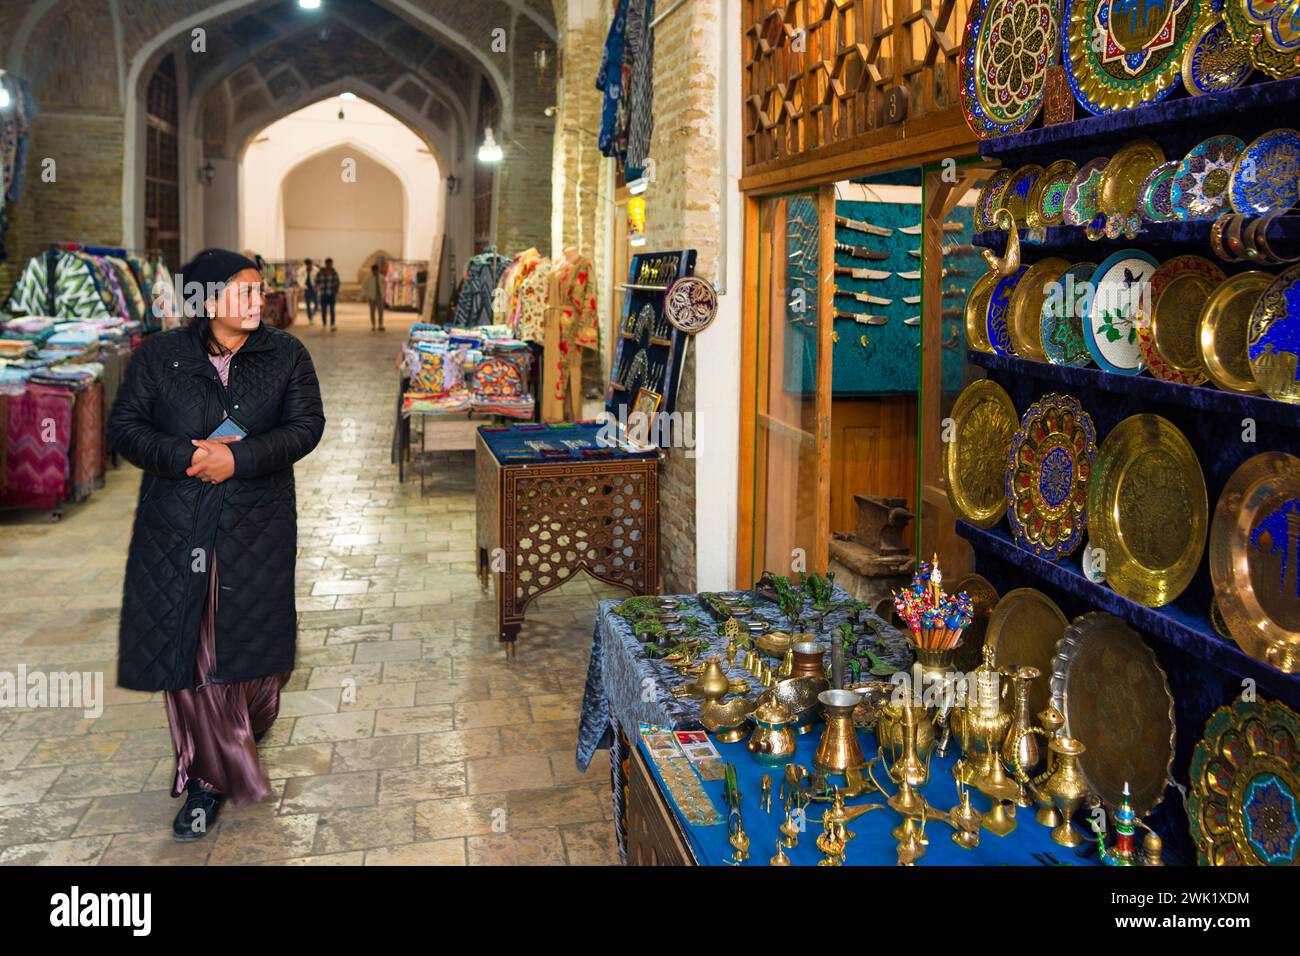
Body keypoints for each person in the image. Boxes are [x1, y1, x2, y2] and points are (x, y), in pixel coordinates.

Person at [107, 248, 326, 841]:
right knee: (196, 654)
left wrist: (238, 459)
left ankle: (241, 732)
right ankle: (207, 778)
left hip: (257, 527)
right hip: (177, 529)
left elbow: (306, 426)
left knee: (257, 660)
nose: (257, 302)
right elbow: (125, 428)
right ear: (204, 300)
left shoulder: (285, 355)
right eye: (242, 292)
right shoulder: (161, 357)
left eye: (259, 291)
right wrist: (186, 457)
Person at [316, 257, 339, 330]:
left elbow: (337, 283)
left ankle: (332, 324)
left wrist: (335, 291)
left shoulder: (334, 272)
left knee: (332, 310)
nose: (329, 265)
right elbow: (317, 281)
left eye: (330, 264)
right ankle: (324, 324)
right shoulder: (320, 272)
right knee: (323, 310)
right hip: (323, 294)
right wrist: (318, 288)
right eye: (328, 264)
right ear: (326, 264)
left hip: (331, 294)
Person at [362, 262, 386, 331]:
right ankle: (373, 325)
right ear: (372, 270)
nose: (375, 272)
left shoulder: (382, 277)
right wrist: (366, 295)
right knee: (372, 312)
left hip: (380, 297)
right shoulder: (367, 278)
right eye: (374, 271)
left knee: (381, 312)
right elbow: (364, 287)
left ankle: (380, 325)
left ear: (378, 270)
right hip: (371, 297)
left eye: (376, 270)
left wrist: (384, 294)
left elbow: (385, 286)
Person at [299, 257, 317, 324]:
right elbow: (299, 279)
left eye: (309, 264)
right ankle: (310, 318)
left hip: (314, 289)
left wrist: (317, 287)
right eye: (307, 264)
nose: (308, 266)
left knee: (316, 304)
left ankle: (312, 314)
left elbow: (318, 279)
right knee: (308, 305)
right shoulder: (302, 270)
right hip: (307, 290)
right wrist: (302, 286)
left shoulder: (316, 270)